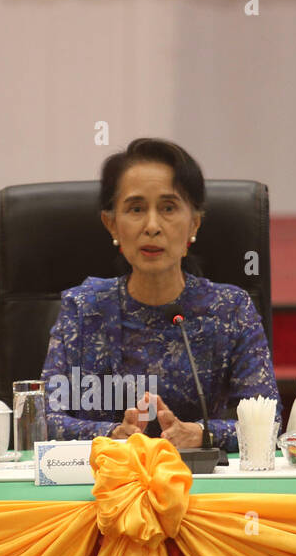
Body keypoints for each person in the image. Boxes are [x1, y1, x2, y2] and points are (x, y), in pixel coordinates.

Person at [42, 138, 281, 451]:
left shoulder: (230, 310)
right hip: (104, 485)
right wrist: (113, 434)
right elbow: (45, 418)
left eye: (168, 208)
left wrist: (201, 435)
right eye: (136, 209)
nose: (152, 226)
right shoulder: (83, 308)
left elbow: (269, 421)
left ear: (193, 223)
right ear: (112, 224)